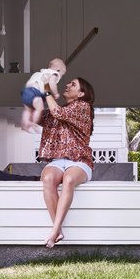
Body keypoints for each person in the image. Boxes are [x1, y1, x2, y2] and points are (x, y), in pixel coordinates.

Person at [36, 76, 95, 247]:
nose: (68, 85)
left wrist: (47, 89)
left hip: (79, 160)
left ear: (81, 93)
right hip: (57, 161)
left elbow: (58, 113)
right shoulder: (59, 109)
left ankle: (54, 231)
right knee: (47, 179)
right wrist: (35, 94)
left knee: (69, 180)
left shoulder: (83, 107)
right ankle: (59, 229)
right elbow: (39, 117)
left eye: (73, 84)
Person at [19, 57, 67, 132]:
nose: (60, 77)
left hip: (26, 91)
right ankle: (33, 123)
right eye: (62, 75)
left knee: (28, 110)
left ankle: (25, 122)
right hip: (35, 92)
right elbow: (51, 83)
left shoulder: (41, 72)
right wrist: (55, 93)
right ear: (58, 70)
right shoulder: (54, 74)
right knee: (39, 108)